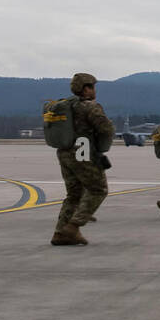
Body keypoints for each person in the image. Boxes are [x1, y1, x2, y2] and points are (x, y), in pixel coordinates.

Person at [51, 72, 115, 246]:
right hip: (83, 152)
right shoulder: (89, 107)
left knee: (74, 194)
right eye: (92, 87)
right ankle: (73, 227)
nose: (94, 91)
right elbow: (107, 129)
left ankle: (60, 232)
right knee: (98, 189)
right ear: (86, 88)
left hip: (64, 153)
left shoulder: (64, 105)